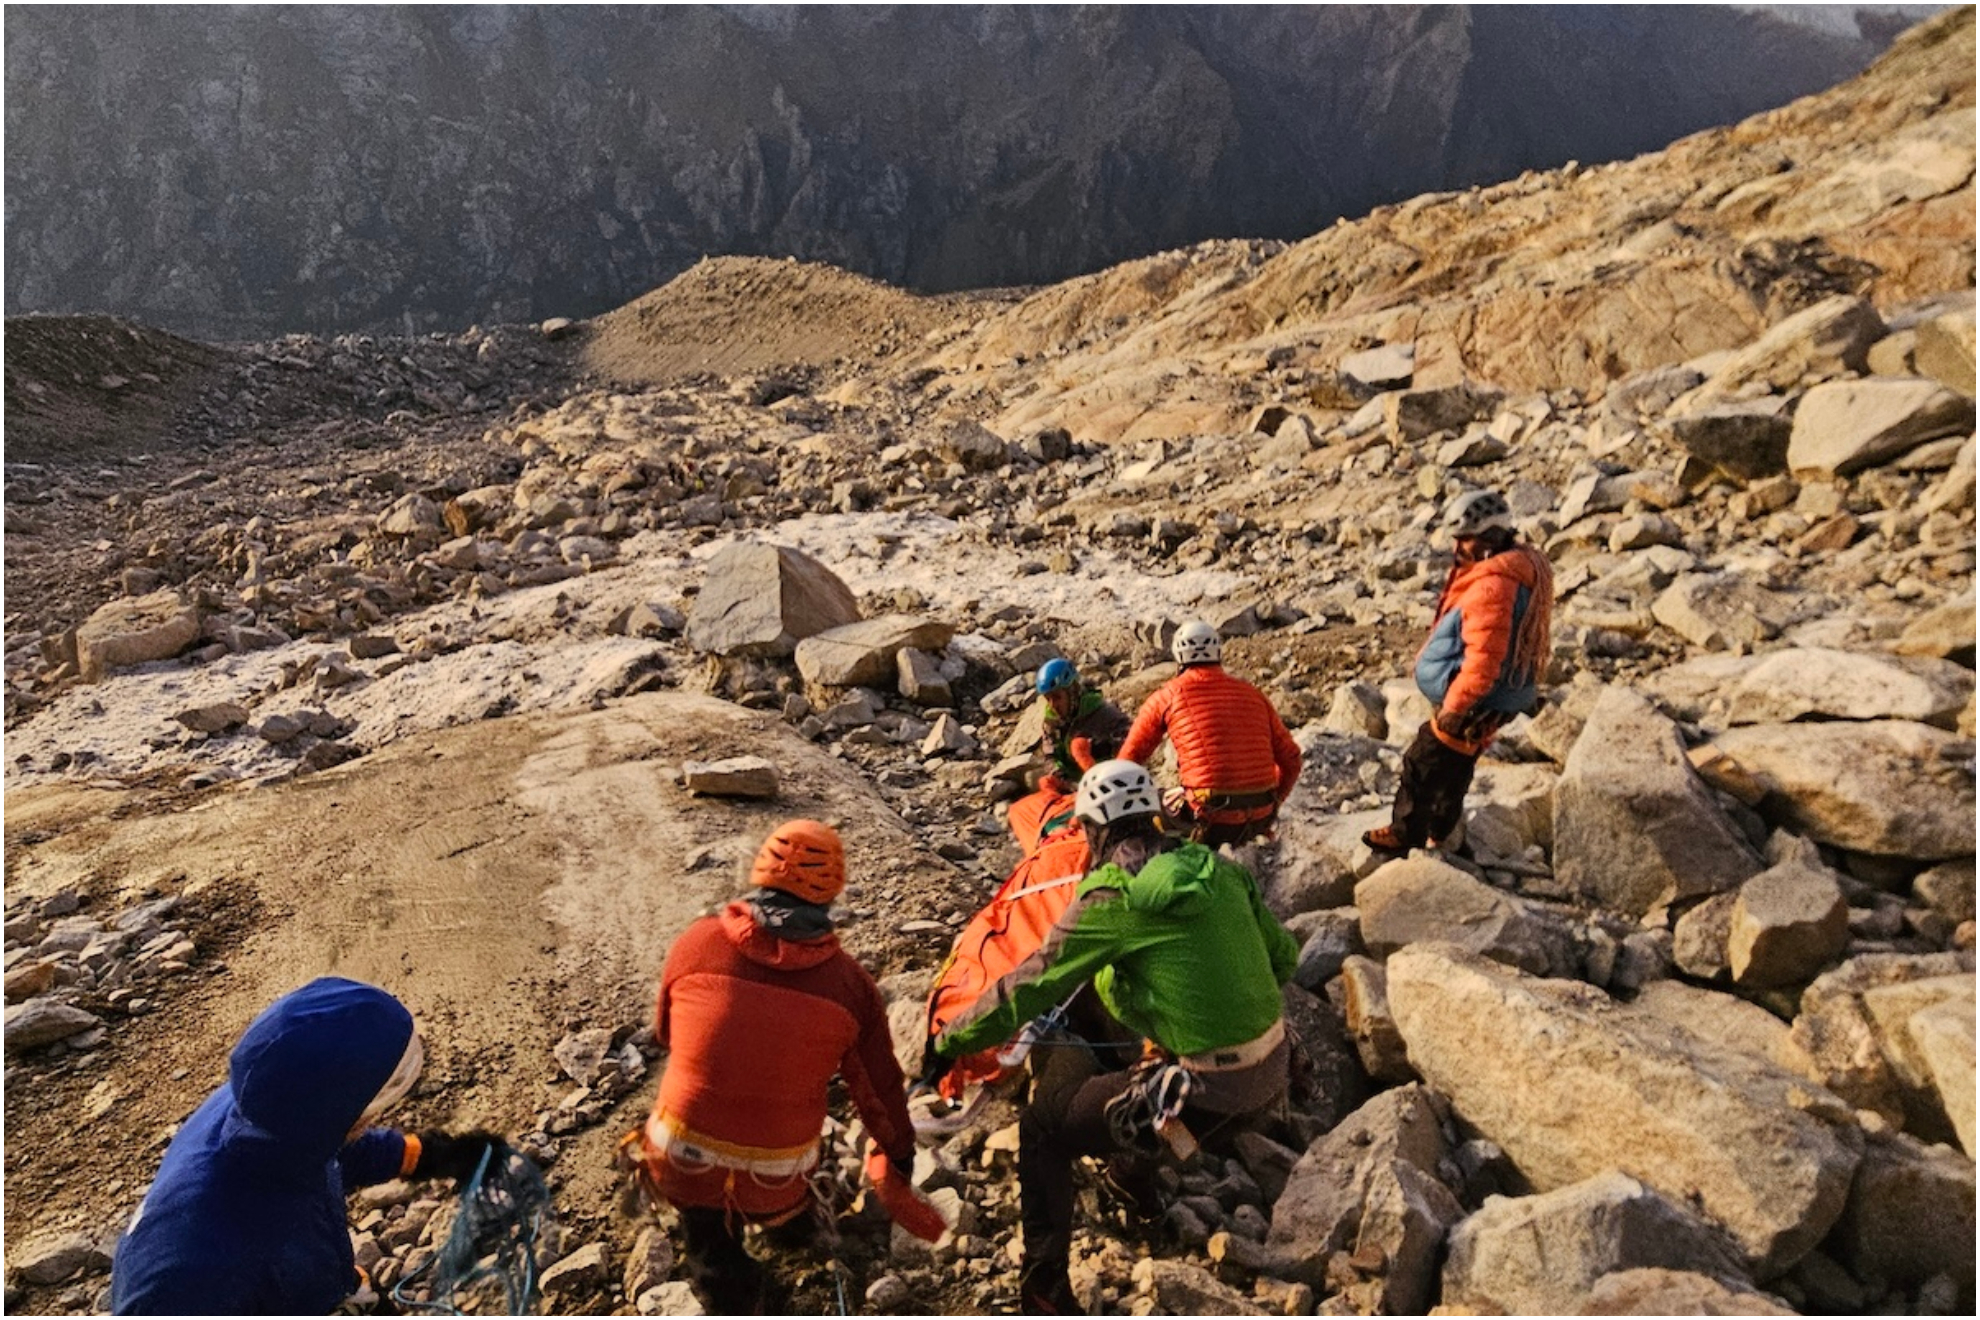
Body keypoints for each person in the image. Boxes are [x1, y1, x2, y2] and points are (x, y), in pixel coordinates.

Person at [928, 760, 1298, 1315]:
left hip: (1205, 1096)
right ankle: (1131, 1181)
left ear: (1093, 830)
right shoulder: (1219, 870)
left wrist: (950, 1043)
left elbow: (1030, 985)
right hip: (1276, 1069)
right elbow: (1285, 960)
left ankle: (1043, 1287)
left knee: (1044, 1130)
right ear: (1153, 815)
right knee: (1145, 1053)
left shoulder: (1110, 896)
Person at [627, 819, 946, 1313]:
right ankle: (793, 1228)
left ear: (761, 872)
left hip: (682, 1162)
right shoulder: (850, 986)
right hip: (777, 1177)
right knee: (786, 1172)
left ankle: (722, 1275)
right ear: (832, 891)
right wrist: (899, 1157)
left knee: (706, 1227)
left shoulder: (695, 943)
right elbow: (877, 1091)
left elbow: (668, 1035)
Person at [111, 976, 501, 1315]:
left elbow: (332, 1153)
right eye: (369, 1105)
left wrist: (428, 1156)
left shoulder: (267, 1106)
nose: (374, 1116)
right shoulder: (190, 1275)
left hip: (305, 1282)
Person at [1363, 489, 1554, 857]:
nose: (1458, 547)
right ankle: (1441, 830)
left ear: (1489, 538)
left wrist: (1456, 704)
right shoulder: (1513, 570)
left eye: (1466, 539)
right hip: (1500, 694)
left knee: (1423, 761)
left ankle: (1406, 835)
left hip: (1478, 696)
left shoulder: (1494, 584)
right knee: (1457, 762)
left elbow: (1484, 656)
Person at [1117, 621, 1303, 847]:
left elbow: (1127, 762)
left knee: (1151, 803)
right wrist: (1273, 805)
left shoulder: (1168, 696)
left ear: (1178, 656)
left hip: (1209, 820)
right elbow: (1292, 759)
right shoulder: (1253, 694)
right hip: (1260, 819)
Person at [1008, 659, 1129, 854]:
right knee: (1023, 807)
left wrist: (1093, 752)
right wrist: (1059, 778)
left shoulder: (1106, 717)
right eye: (1048, 699)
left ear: (1072, 692)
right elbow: (1050, 756)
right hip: (1071, 788)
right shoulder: (1052, 720)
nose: (1053, 705)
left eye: (1057, 697)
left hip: (1107, 789)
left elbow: (1128, 755)